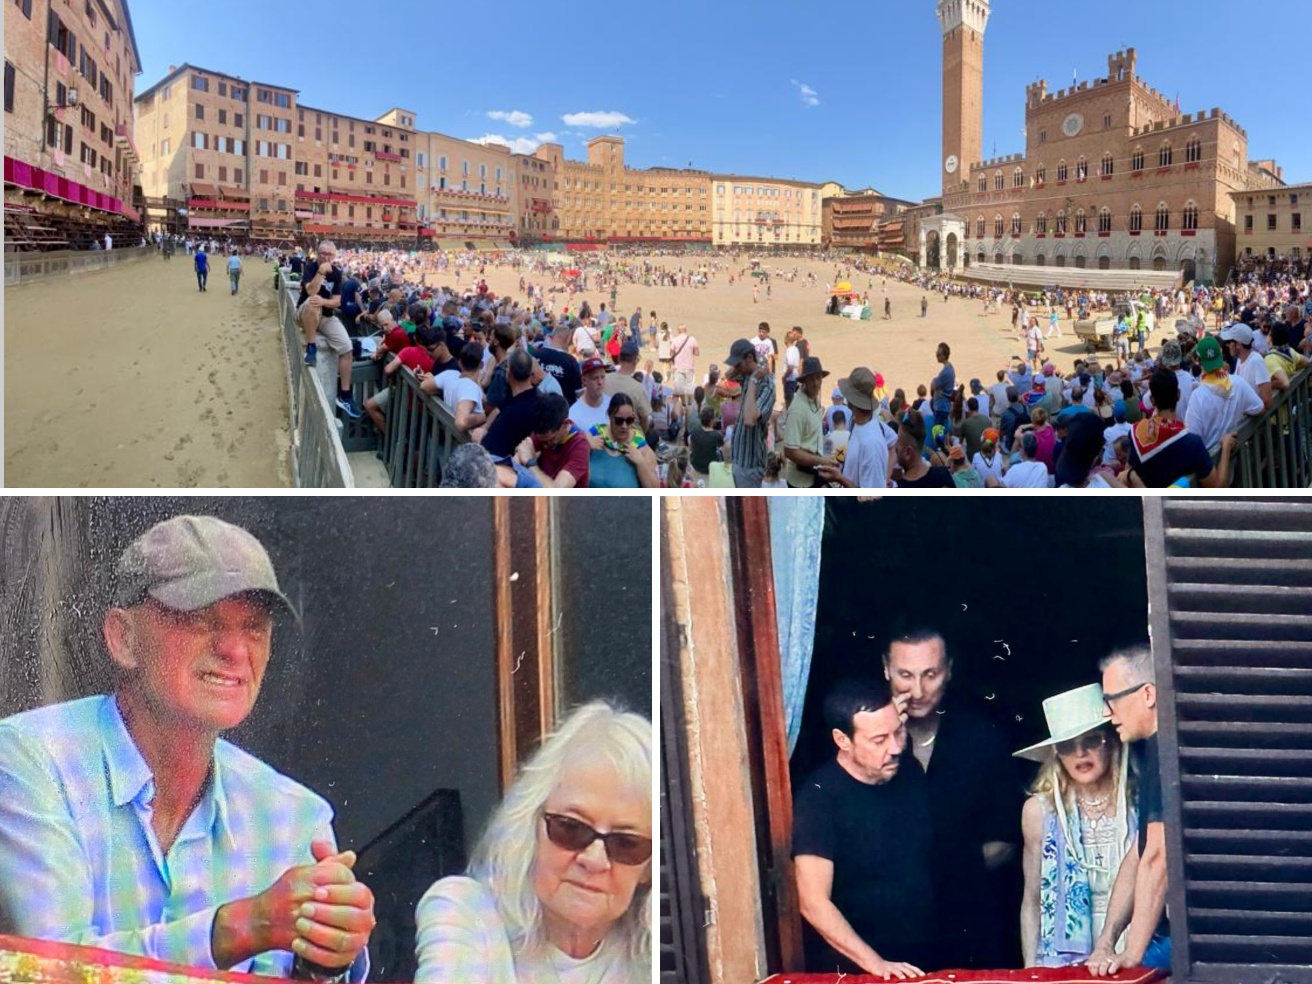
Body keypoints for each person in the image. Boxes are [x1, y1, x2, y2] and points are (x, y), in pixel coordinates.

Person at [0, 516, 375, 979]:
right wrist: (244, 925)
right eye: (202, 620)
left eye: (255, 628)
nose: (236, 652)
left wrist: (323, 955)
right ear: (123, 638)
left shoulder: (296, 816)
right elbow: (48, 971)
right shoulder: (32, 758)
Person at [414, 702, 651, 984]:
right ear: (530, 827)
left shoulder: (652, 956)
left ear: (647, 868)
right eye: (571, 829)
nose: (595, 860)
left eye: (625, 843)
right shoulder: (466, 909)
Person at [885, 627, 1019, 969]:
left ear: (949, 671)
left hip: (970, 926)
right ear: (886, 669)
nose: (917, 690)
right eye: (905, 675)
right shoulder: (869, 747)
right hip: (890, 934)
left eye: (930, 675)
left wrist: (942, 875)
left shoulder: (982, 740)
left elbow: (1006, 840)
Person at [792, 680, 933, 978]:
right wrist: (876, 965)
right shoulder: (819, 798)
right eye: (879, 740)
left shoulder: (910, 773)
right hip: (857, 966)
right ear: (842, 740)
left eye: (899, 732)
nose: (895, 748)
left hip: (921, 953)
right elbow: (813, 901)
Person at [1016, 685, 1138, 967]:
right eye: (1068, 745)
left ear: (1111, 741)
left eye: (1092, 741)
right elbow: (1032, 900)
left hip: (1133, 946)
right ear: (1056, 753)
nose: (1080, 753)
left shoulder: (1138, 804)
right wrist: (1032, 971)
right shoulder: (1039, 811)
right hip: (1062, 961)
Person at [1088, 648, 1170, 975]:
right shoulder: (1152, 751)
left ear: (1148, 694)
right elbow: (1139, 853)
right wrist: (1107, 942)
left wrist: (1132, 957)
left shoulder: (1168, 751)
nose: (1108, 713)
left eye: (1113, 699)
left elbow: (1159, 857)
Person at [1129, 367, 1236, 488]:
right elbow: (1217, 488)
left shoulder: (1136, 434)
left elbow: (1128, 473)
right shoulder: (1192, 444)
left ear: (1152, 400)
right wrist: (1226, 447)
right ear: (1178, 395)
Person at [297, 241, 362, 419]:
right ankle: (311, 346)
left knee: (347, 347)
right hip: (305, 314)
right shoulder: (310, 267)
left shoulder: (338, 273)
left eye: (329, 255)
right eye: (323, 253)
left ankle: (346, 395)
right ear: (317, 254)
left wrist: (324, 302)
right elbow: (310, 292)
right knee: (312, 303)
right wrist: (320, 272)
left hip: (325, 315)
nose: (326, 257)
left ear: (334, 257)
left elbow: (337, 302)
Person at [817, 369, 896, 490]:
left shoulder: (871, 443)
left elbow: (869, 500)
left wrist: (839, 478)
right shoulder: (866, 422)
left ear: (850, 400)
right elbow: (894, 443)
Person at [724, 339, 776, 488]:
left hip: (750, 466)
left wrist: (753, 380)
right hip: (740, 459)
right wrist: (750, 368)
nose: (736, 368)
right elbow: (728, 376)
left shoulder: (766, 385)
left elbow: (749, 420)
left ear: (749, 358)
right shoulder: (747, 373)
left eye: (738, 364)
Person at [514, 393, 590, 489]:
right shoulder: (543, 432)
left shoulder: (580, 446)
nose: (547, 444)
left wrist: (530, 463)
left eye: (551, 439)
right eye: (543, 441)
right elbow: (517, 459)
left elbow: (555, 492)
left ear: (565, 424)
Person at [783, 357, 838, 489]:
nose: (815, 383)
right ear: (804, 381)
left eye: (818, 378)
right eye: (811, 378)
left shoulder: (814, 400)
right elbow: (790, 451)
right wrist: (822, 460)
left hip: (813, 475)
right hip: (800, 483)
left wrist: (826, 455)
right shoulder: (797, 410)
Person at [587, 394, 659, 489]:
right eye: (619, 420)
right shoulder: (595, 434)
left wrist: (641, 463)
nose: (624, 426)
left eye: (629, 420)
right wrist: (585, 447)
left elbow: (655, 490)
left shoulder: (640, 446)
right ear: (610, 416)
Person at [569, 357, 611, 435]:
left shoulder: (613, 405)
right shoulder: (573, 414)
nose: (600, 382)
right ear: (584, 380)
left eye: (603, 377)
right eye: (595, 378)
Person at [930, 343, 955, 430]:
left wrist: (934, 381)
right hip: (943, 406)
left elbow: (933, 385)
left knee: (937, 433)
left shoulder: (945, 372)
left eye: (939, 354)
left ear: (944, 356)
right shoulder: (949, 368)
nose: (937, 355)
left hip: (941, 407)